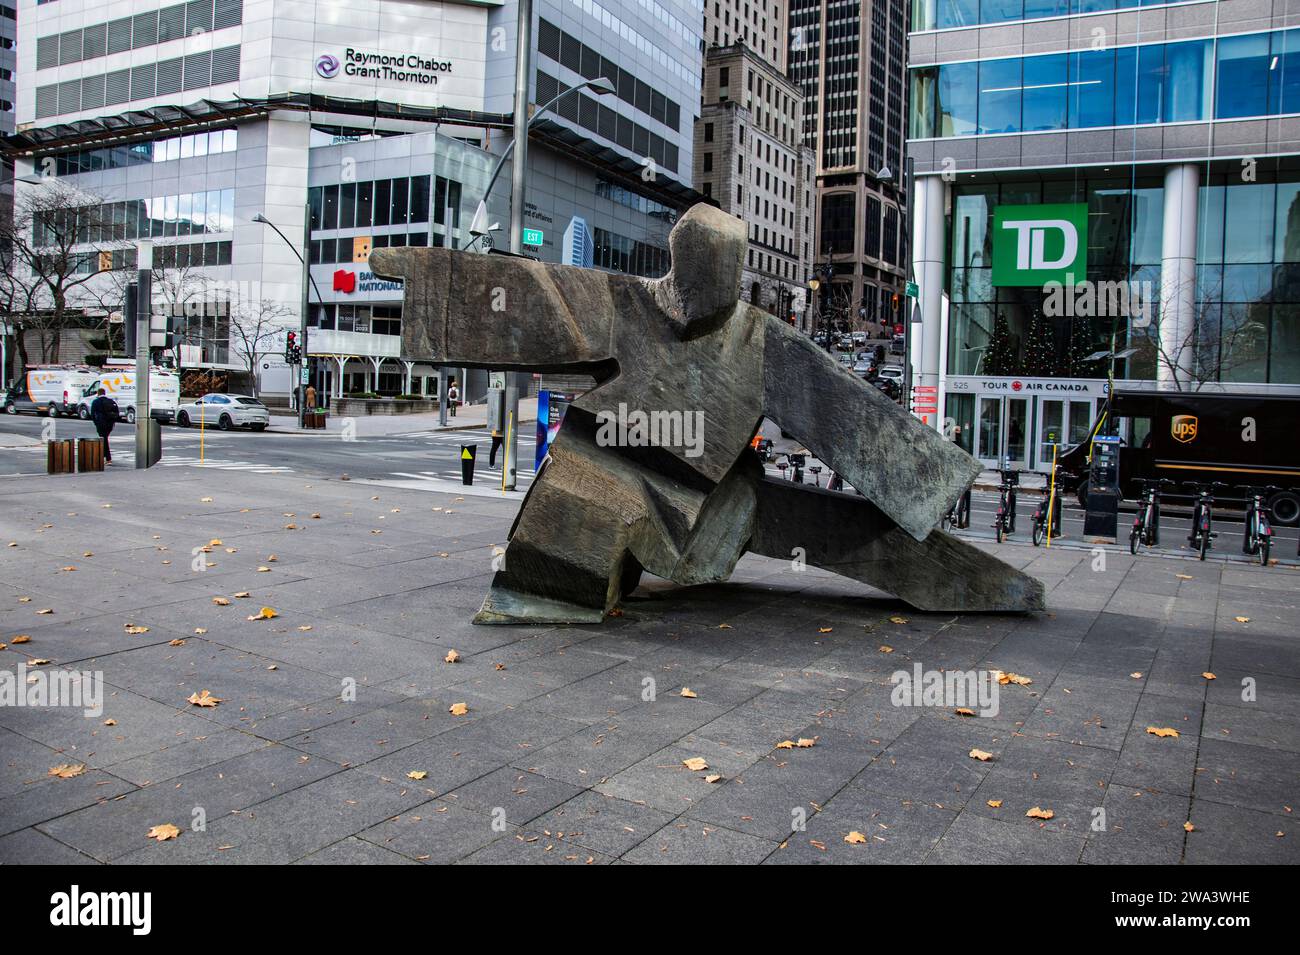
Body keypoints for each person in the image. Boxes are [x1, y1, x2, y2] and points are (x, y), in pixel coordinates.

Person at [89, 388, 118, 464]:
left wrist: (96, 423)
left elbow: (92, 414)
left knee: (104, 440)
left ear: (98, 393)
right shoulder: (110, 401)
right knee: (104, 439)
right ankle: (105, 457)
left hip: (101, 424)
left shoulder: (96, 402)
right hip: (110, 424)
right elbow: (116, 413)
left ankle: (108, 459)